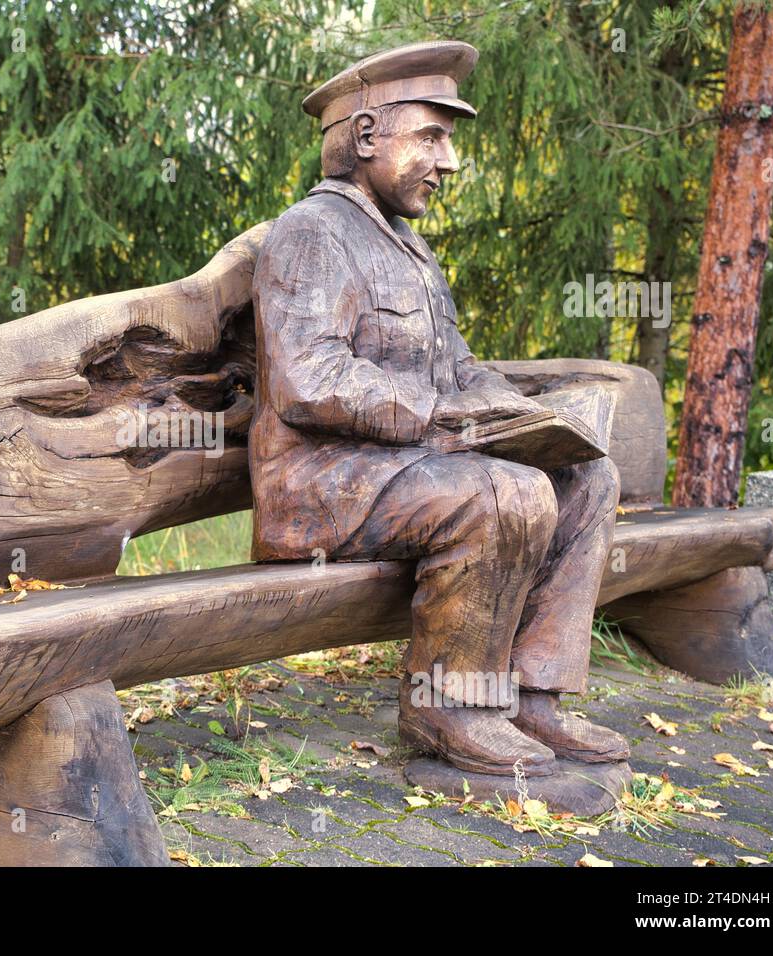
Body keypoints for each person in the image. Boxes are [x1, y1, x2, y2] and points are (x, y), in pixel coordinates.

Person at [250, 40, 628, 776]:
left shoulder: (413, 251)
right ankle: (446, 706)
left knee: (588, 479)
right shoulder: (311, 232)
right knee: (503, 491)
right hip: (319, 485)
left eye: (448, 140)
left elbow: (456, 364)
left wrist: (524, 413)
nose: (449, 161)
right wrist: (446, 418)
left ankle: (531, 694)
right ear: (365, 137)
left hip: (400, 469)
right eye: (431, 136)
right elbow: (307, 379)